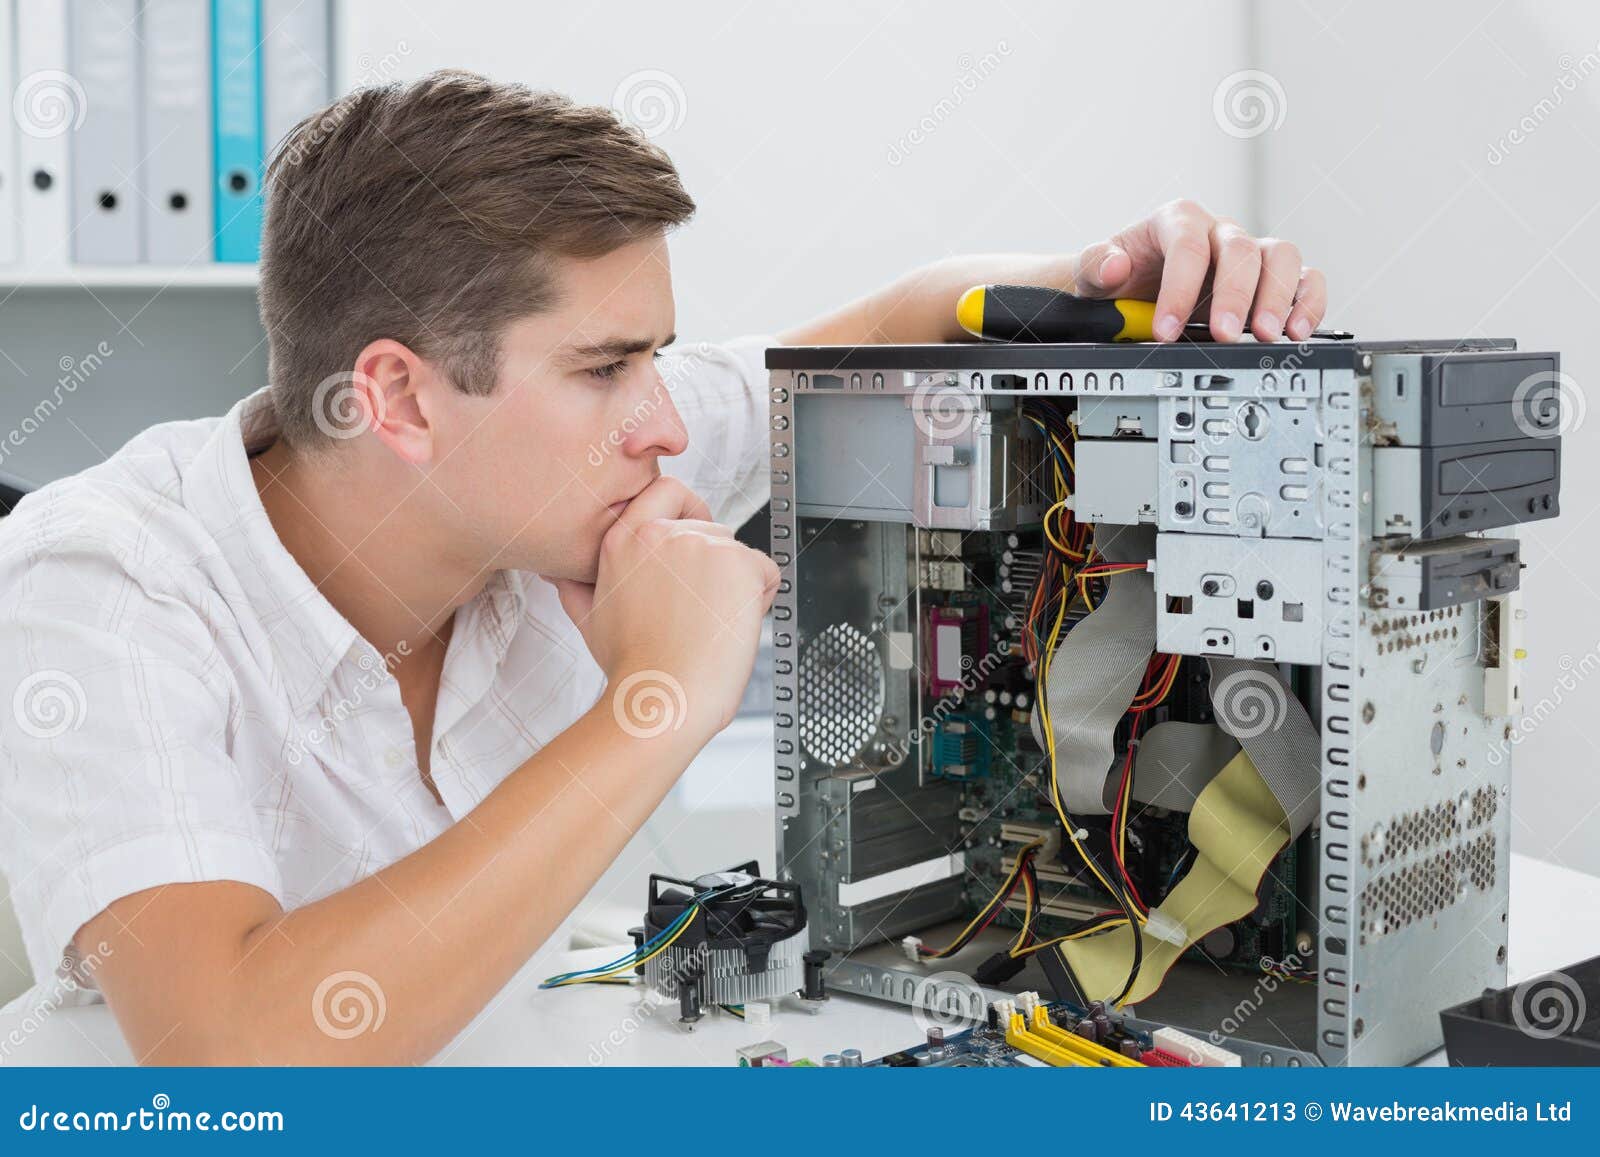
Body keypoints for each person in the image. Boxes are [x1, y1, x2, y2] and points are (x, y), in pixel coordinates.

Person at [0, 71, 1327, 1063]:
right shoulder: (105, 585)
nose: (671, 421)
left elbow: (897, 319)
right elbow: (236, 1052)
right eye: (605, 367)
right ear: (398, 402)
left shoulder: (558, 470)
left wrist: (1118, 274)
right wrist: (661, 700)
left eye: (657, 353)